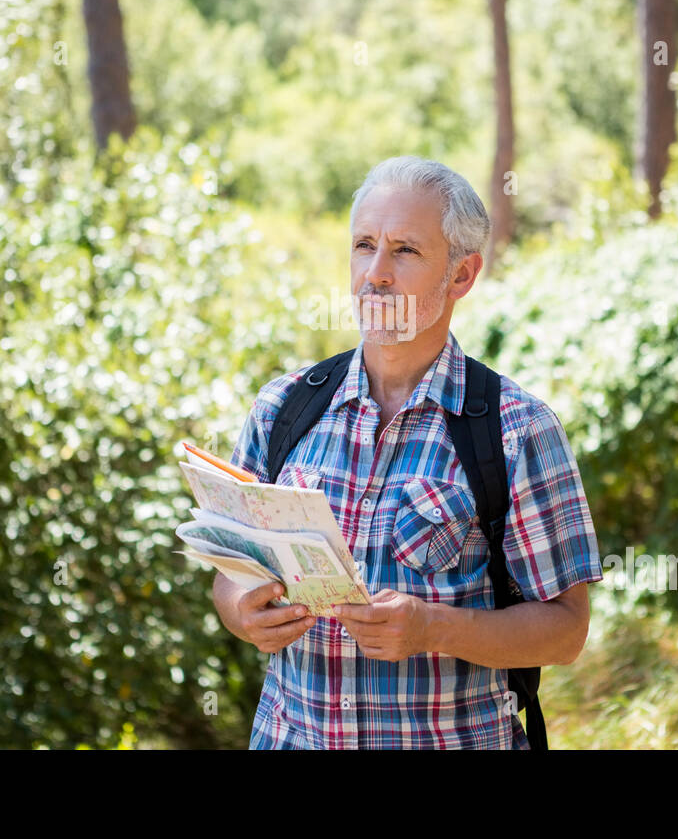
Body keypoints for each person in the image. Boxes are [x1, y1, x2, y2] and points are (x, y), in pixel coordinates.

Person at [212, 155, 603, 749]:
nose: (376, 273)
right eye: (364, 245)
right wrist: (245, 612)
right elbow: (229, 574)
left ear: (462, 276)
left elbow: (566, 631)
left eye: (406, 251)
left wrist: (432, 628)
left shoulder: (517, 430)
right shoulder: (282, 408)